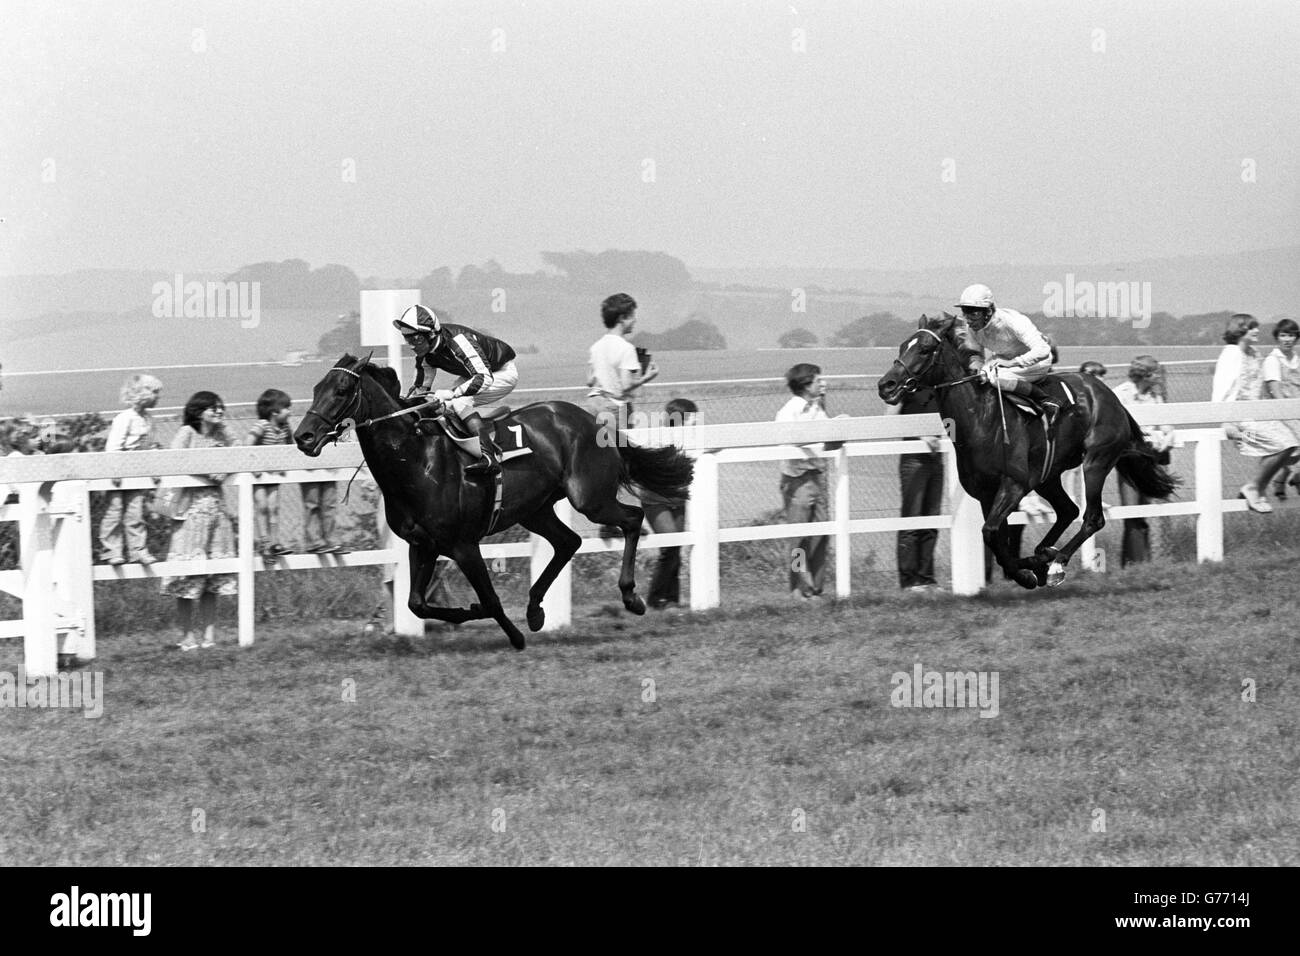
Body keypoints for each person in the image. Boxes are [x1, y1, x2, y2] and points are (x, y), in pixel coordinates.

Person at [393, 303, 518, 476]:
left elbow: (484, 377)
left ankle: (489, 457)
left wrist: (453, 393)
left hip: (500, 373)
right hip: (474, 374)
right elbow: (419, 391)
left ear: (430, 335)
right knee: (441, 406)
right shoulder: (425, 354)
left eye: (416, 339)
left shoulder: (459, 342)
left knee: (459, 402)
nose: (412, 344)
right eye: (408, 339)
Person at [159, 391, 237, 650]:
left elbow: (240, 453)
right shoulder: (187, 433)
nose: (217, 411)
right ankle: (186, 636)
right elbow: (175, 462)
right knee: (187, 579)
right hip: (190, 511)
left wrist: (224, 430)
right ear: (198, 410)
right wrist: (209, 471)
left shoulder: (220, 435)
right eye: (212, 408)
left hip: (217, 511)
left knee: (212, 580)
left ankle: (209, 636)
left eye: (220, 407)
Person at [1211, 313, 1300, 513]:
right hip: (1240, 419)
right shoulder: (1231, 353)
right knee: (1282, 443)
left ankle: (1258, 487)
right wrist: (1225, 421)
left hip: (1256, 413)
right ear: (1241, 330)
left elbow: (1257, 388)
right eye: (1252, 328)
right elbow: (1221, 388)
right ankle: (1254, 487)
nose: (1257, 331)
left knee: (1292, 444)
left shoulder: (1254, 353)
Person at [954, 283, 1068, 427]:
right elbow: (976, 355)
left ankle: (1047, 400)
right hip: (1004, 359)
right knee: (978, 378)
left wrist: (1013, 362)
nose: (969, 319)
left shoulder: (1012, 321)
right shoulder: (972, 328)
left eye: (974, 313)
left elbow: (1042, 350)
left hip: (1036, 362)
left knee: (996, 379)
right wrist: (976, 366)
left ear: (988, 311)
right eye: (965, 312)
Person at [776, 363, 833, 600]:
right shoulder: (789, 412)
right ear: (806, 384)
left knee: (821, 533)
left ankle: (816, 587)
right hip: (797, 481)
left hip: (818, 477)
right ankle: (799, 589)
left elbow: (828, 435)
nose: (823, 384)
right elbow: (789, 445)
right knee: (799, 538)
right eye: (818, 380)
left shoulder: (817, 408)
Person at [1113, 356, 1174, 565]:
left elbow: (1167, 427)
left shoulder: (1156, 396)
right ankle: (1135, 564)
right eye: (1156, 371)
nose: (1159, 375)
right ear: (1146, 374)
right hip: (1129, 461)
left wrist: (1165, 439)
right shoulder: (1121, 394)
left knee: (1143, 513)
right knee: (1132, 514)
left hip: (1151, 460)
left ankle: (1137, 564)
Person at [884, 383, 944, 592]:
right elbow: (889, 420)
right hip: (913, 460)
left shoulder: (938, 386)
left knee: (931, 520)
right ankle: (909, 581)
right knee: (912, 520)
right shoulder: (904, 388)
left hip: (937, 460)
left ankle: (927, 578)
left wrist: (950, 439)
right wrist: (921, 435)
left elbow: (950, 422)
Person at [99, 374, 163, 565]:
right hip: (120, 474)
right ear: (139, 393)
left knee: (135, 513)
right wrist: (115, 471)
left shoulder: (149, 420)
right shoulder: (125, 418)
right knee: (114, 511)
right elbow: (113, 447)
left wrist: (154, 470)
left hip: (137, 475)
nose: (157, 397)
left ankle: (138, 550)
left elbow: (150, 448)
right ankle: (111, 551)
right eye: (154, 392)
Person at [643, 398, 697, 609]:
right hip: (656, 500)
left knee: (675, 547)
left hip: (677, 498)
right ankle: (656, 599)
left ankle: (672, 598)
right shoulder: (657, 439)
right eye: (691, 418)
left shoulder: (692, 438)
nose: (695, 422)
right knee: (670, 546)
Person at [587, 292, 659, 435]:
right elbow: (625, 386)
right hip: (615, 406)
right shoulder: (626, 348)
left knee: (599, 450)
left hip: (594, 403)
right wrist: (647, 377)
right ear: (622, 318)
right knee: (622, 452)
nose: (635, 320)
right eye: (632, 316)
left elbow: (590, 381)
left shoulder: (596, 346)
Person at [247, 388, 294, 557]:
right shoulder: (262, 425)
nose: (290, 412)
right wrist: (255, 468)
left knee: (273, 507)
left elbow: (292, 447)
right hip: (259, 475)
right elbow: (248, 445)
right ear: (274, 412)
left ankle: (275, 542)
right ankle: (264, 542)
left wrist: (285, 464)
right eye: (286, 408)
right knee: (262, 506)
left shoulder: (285, 428)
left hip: (274, 475)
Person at [1262, 318, 1300, 499]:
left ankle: (1283, 478)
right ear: (1277, 337)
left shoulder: (1297, 360)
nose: (1287, 339)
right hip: (1281, 413)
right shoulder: (1272, 360)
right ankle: (1293, 477)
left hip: (1297, 412)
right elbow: (1276, 393)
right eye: (1283, 335)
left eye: (1291, 335)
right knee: (1292, 444)